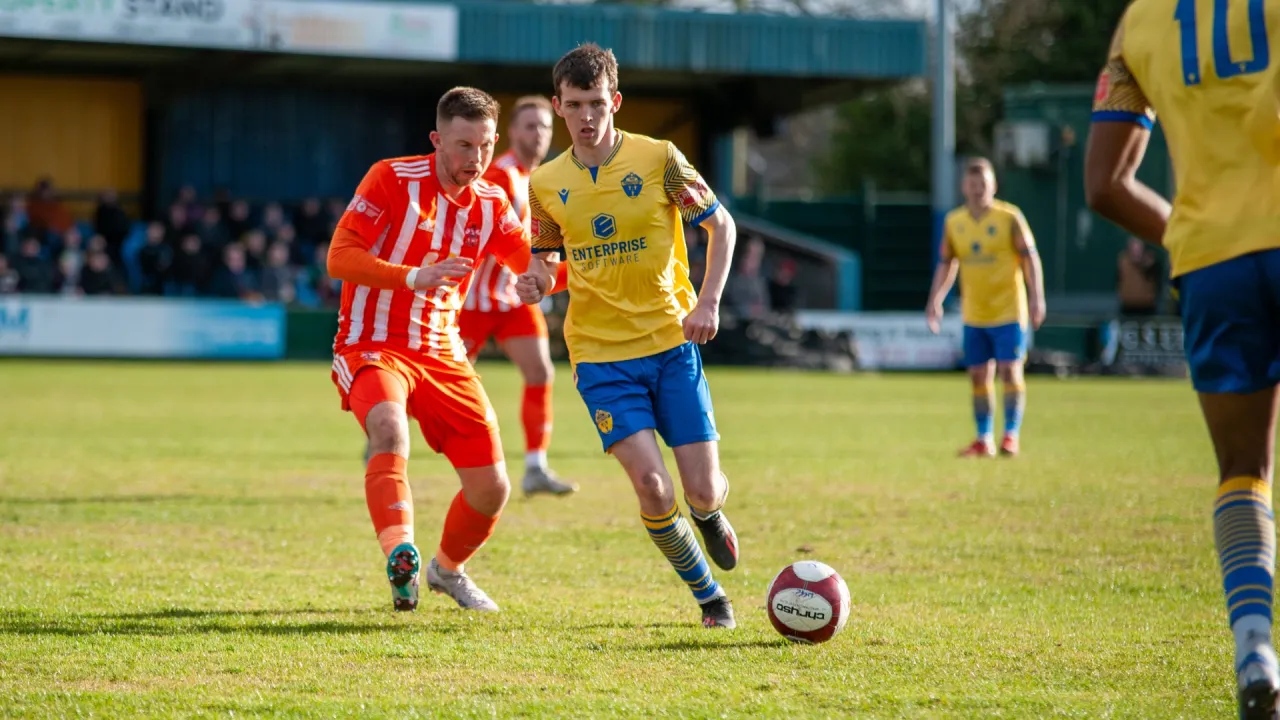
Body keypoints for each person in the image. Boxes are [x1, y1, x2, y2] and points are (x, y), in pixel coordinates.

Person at [1084, 3, 1280, 716]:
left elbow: (1104, 184)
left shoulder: (1139, 23)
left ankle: (1256, 644)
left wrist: (1198, 237)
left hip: (1214, 265)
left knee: (1244, 472)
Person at [515, 43, 741, 630]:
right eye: (574, 105)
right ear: (560, 109)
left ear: (614, 101)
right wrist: (536, 282)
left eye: (596, 103)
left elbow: (721, 225)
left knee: (703, 488)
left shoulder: (659, 158)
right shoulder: (544, 184)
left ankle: (712, 513)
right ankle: (709, 596)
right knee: (650, 484)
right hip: (599, 356)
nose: (586, 116)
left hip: (671, 344)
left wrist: (708, 301)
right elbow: (543, 258)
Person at [328, 86, 561, 614]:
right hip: (372, 344)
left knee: (492, 489)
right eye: (461, 146)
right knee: (388, 428)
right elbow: (339, 257)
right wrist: (414, 276)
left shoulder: (491, 201)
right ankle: (401, 554)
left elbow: (529, 259)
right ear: (436, 140)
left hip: (443, 354)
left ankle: (447, 570)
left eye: (482, 146)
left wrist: (544, 279)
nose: (473, 160)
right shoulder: (390, 178)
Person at [459, 95, 576, 497]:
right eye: (530, 126)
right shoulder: (501, 174)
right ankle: (389, 434)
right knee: (437, 380)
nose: (539, 134)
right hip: (474, 299)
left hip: (512, 299)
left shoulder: (543, 176)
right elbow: (489, 234)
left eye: (544, 126)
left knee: (541, 372)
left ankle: (534, 467)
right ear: (512, 132)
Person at [925, 157, 1046, 458]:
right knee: (978, 375)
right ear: (963, 187)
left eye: (984, 184)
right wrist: (935, 300)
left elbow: (1030, 258)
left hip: (1009, 310)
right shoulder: (954, 222)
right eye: (972, 184)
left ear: (993, 186)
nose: (978, 189)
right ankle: (983, 438)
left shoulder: (1010, 217)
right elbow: (946, 263)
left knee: (1009, 371)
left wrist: (1036, 297)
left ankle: (1011, 435)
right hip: (974, 313)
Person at [1117, 236, 1161, 317]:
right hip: (1127, 308)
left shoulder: (1151, 263)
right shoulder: (1123, 262)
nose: (1136, 250)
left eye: (1138, 247)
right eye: (1134, 247)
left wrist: (1148, 265)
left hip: (1147, 308)